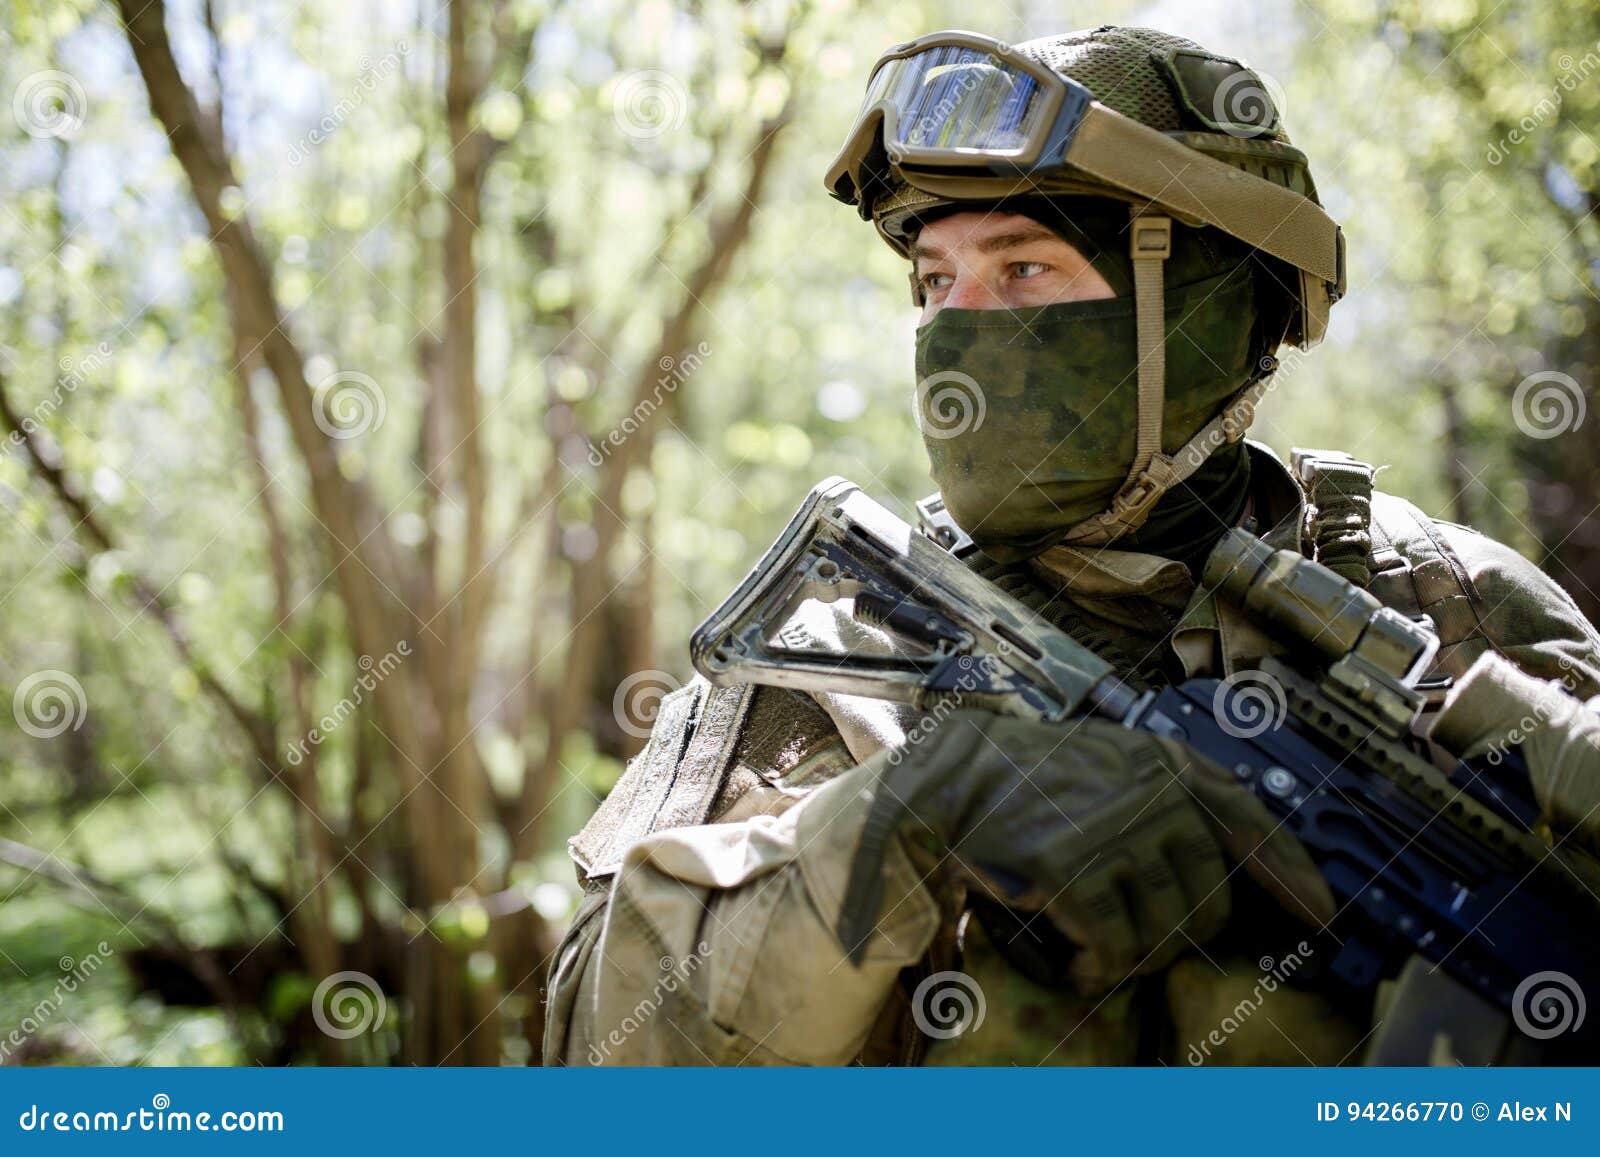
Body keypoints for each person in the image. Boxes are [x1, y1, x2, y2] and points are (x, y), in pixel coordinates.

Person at [544, 25, 1600, 1066]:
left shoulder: (1451, 607)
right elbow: (594, 1050)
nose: (958, 334)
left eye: (1025, 270)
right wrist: (904, 819)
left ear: (1216, 308)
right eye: (935, 284)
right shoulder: (834, 657)